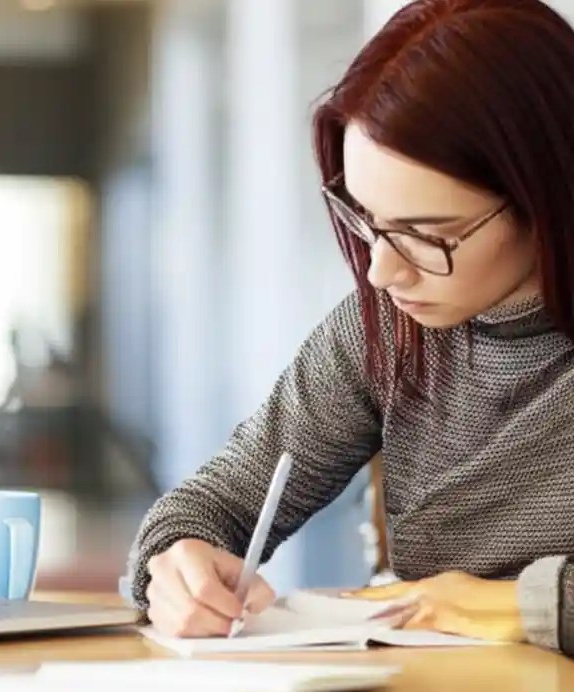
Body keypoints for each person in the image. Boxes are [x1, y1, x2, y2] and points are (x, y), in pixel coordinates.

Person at [127, 0, 574, 658]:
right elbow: (217, 501)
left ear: (547, 190)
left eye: (427, 235)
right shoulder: (389, 329)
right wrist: (176, 562)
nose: (382, 271)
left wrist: (521, 603)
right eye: (366, 220)